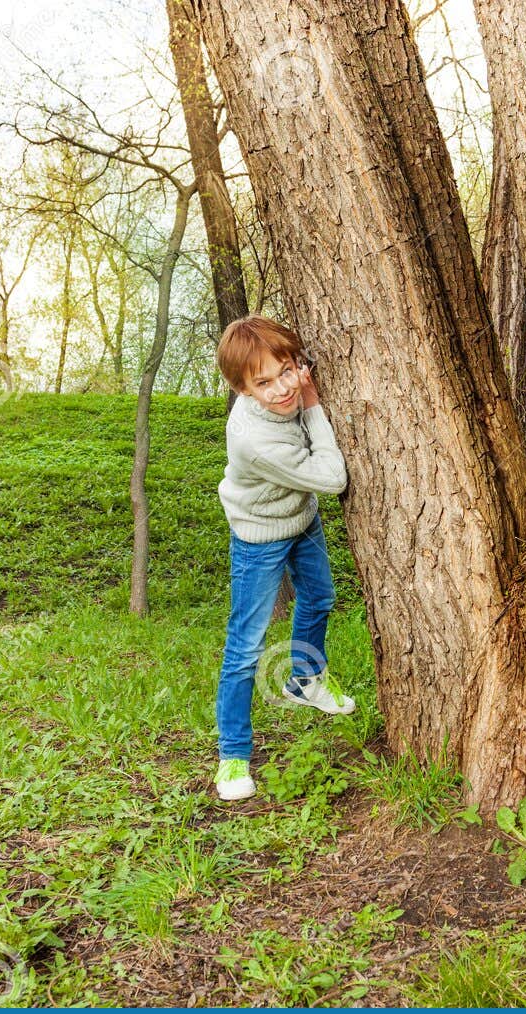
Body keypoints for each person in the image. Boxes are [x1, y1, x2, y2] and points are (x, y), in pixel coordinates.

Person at [212, 315, 356, 802]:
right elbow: (333, 477)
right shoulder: (255, 439)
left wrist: (302, 388)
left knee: (319, 598)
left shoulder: (287, 385)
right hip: (259, 535)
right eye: (263, 383)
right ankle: (232, 755)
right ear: (242, 389)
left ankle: (305, 681)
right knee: (245, 646)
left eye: (288, 371)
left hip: (301, 517)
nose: (281, 390)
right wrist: (313, 405)